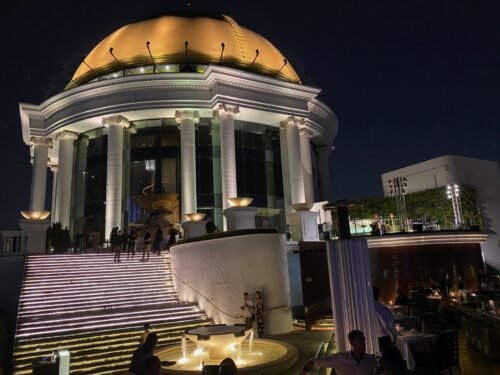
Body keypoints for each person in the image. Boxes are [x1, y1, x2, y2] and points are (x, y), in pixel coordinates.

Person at [302, 330, 378, 375]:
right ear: (352, 343)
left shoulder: (371, 360)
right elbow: (319, 361)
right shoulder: (340, 358)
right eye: (360, 341)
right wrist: (305, 370)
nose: (363, 343)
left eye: (363, 340)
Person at [373, 287, 396, 352]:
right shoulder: (383, 309)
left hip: (371, 339)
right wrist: (393, 338)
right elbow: (390, 326)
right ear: (378, 295)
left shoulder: (364, 309)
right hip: (383, 339)